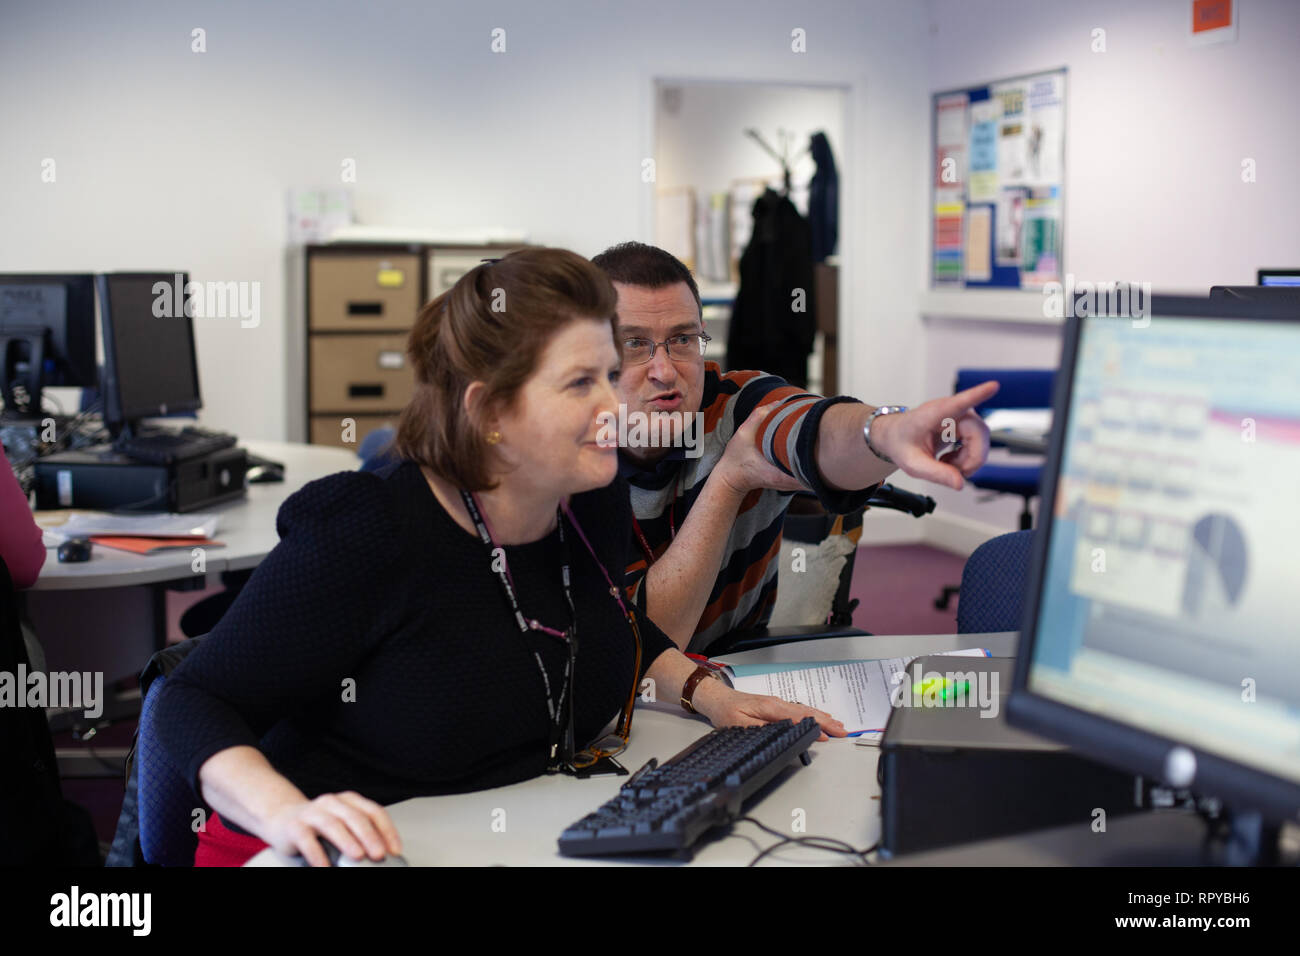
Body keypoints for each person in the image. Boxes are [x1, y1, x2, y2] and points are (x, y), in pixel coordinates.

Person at [153, 248, 844, 867]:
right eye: (581, 384)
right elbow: (190, 699)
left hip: (503, 837)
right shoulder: (369, 530)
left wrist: (705, 691)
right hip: (336, 849)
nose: (615, 403)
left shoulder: (584, 495)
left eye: (609, 373)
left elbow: (611, 623)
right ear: (488, 412)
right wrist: (286, 812)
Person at [590, 242, 999, 653]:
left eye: (682, 339)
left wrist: (885, 432)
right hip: (624, 699)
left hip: (739, 670)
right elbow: (651, 647)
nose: (664, 371)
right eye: (634, 344)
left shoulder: (736, 405)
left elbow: (809, 430)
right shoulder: (571, 462)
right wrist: (730, 481)